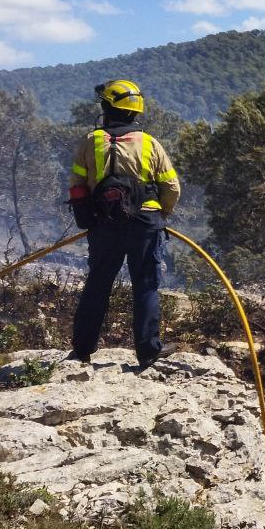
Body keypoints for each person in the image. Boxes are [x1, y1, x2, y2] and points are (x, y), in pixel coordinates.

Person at [67, 79, 180, 370]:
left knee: (98, 283)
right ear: (134, 112)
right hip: (144, 224)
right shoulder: (149, 143)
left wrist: (88, 216)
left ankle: (82, 350)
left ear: (107, 109)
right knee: (145, 284)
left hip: (103, 224)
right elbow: (172, 188)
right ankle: (148, 351)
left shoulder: (90, 142)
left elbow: (77, 185)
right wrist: (162, 215)